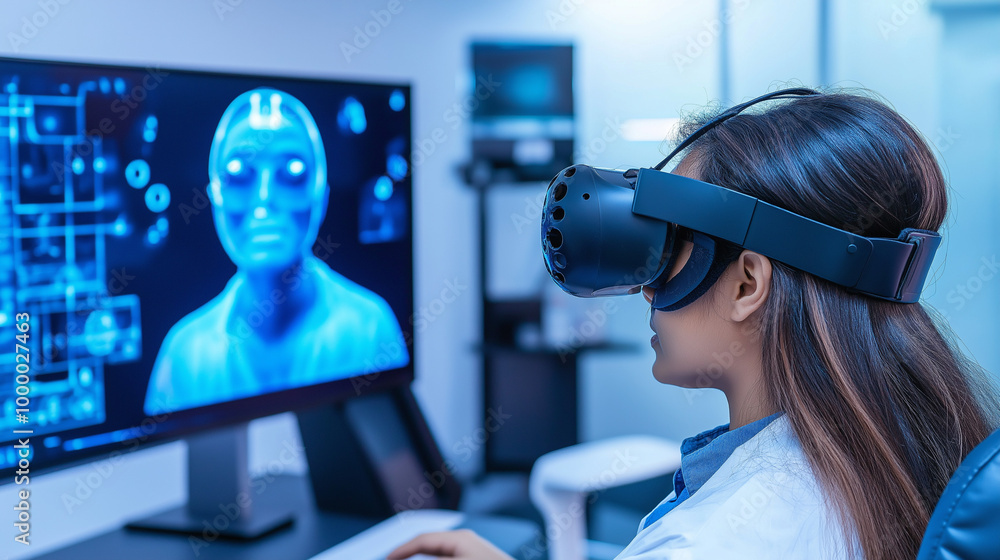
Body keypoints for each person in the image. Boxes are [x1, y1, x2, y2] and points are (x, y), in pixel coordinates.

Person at [387, 89, 999, 559]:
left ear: (747, 284)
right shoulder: (904, 443)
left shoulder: (707, 542)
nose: (646, 289)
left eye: (674, 245)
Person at [144, 88, 408, 414]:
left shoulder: (367, 328)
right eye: (239, 175)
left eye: (292, 174)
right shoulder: (187, 354)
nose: (264, 199)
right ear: (215, 198)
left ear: (320, 195)